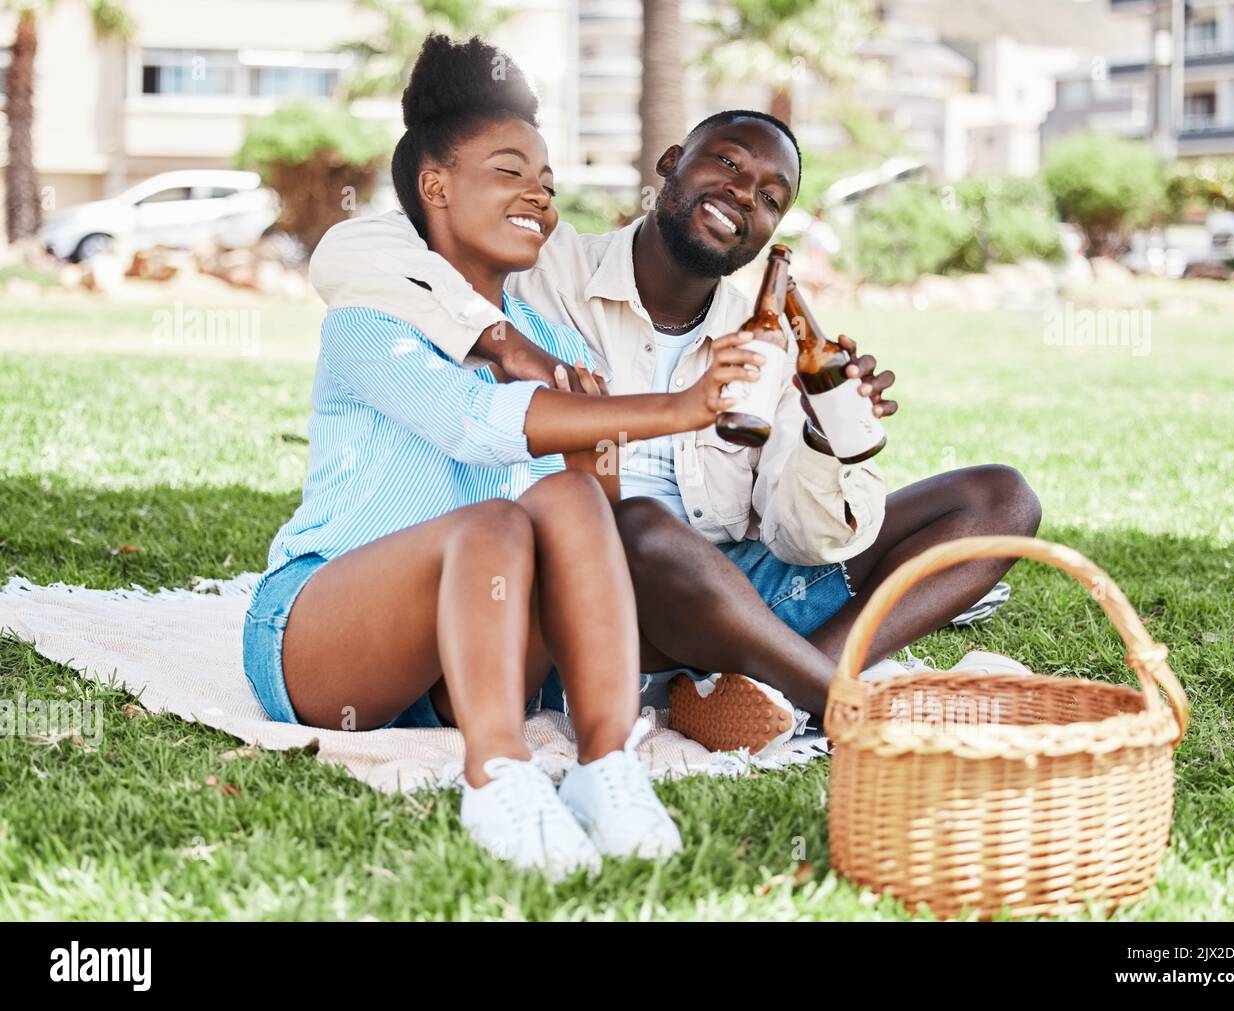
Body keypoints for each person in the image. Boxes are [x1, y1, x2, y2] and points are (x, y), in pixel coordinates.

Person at [310, 105, 1042, 753]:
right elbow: (355, 249)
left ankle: (783, 691)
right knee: (635, 526)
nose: (741, 193)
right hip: (605, 587)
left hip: (736, 591)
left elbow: (804, 541)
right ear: (671, 164)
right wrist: (502, 340)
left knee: (999, 501)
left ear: (771, 231)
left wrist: (824, 436)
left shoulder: (775, 338)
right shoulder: (547, 266)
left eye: (770, 196)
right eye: (726, 161)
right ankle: (832, 695)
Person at [243, 35, 765, 878]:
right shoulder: (370, 322)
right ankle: (497, 774)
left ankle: (606, 765)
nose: (539, 195)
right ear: (435, 187)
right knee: (486, 523)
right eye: (510, 171)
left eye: (548, 181)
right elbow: (473, 423)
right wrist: (674, 408)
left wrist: (595, 442)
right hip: (324, 638)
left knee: (565, 507)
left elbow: (584, 514)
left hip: (465, 663)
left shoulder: (555, 342)